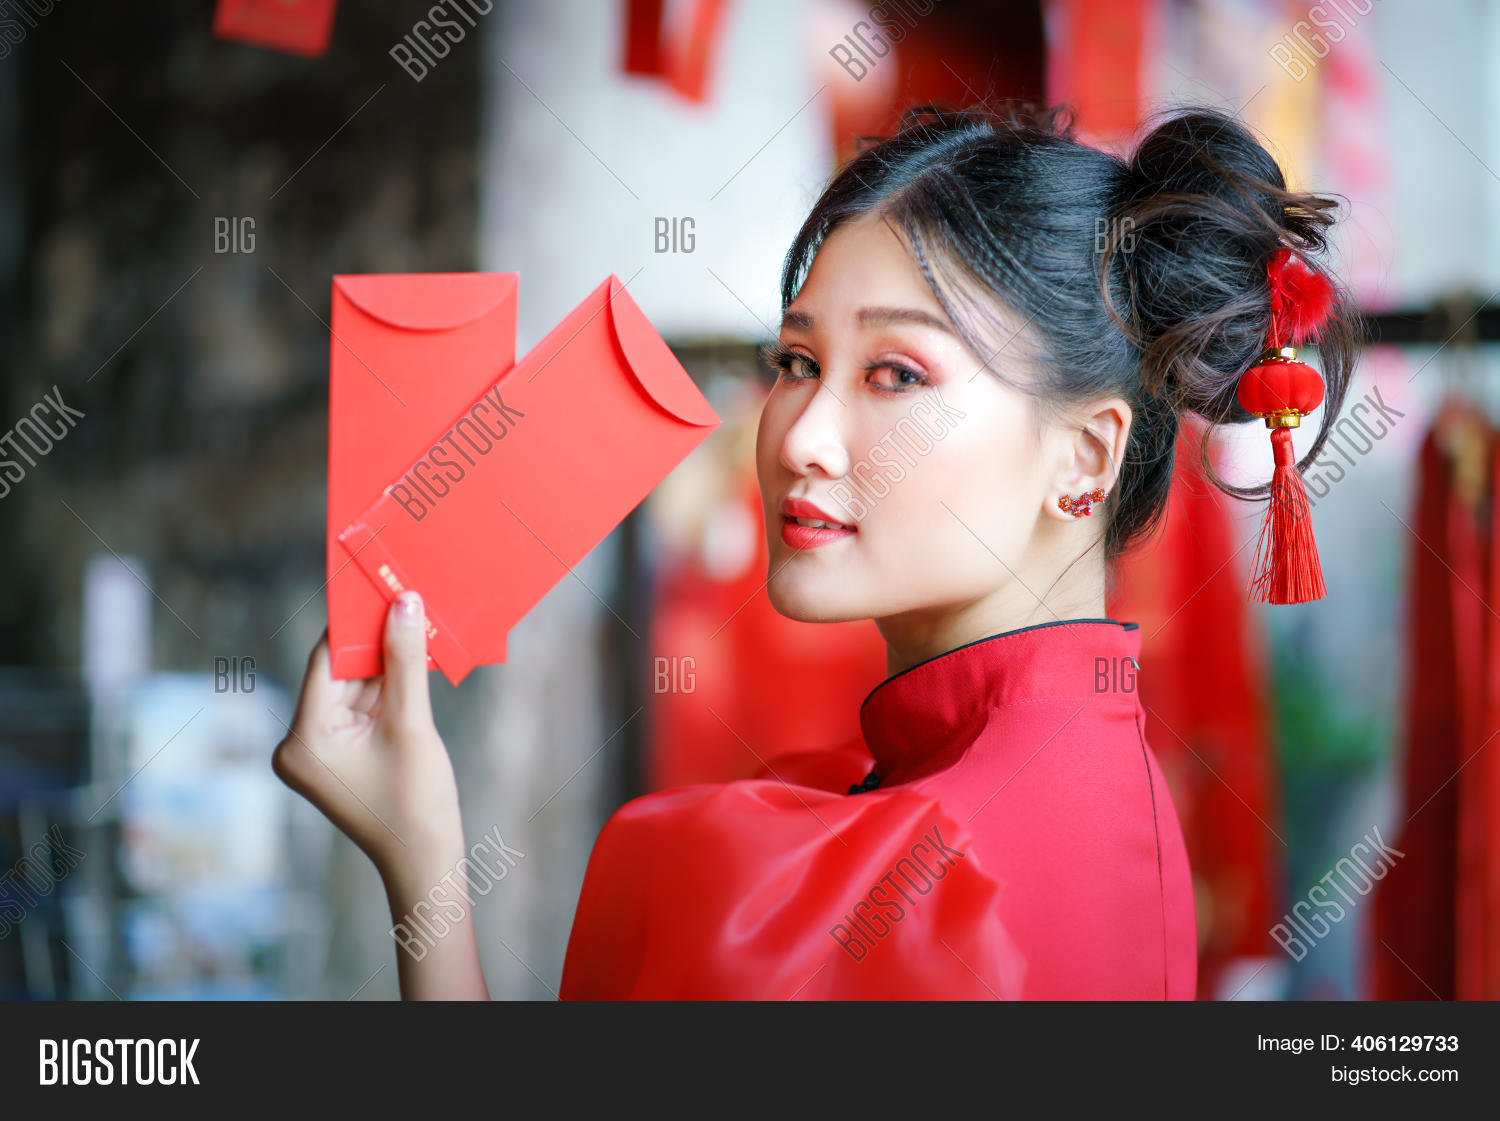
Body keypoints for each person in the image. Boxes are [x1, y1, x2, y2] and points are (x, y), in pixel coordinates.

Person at [273, 102, 1358, 999]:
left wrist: (424, 859)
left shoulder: (925, 878)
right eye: (796, 360)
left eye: (896, 373)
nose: (803, 434)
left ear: (1084, 457)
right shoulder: (1093, 792)